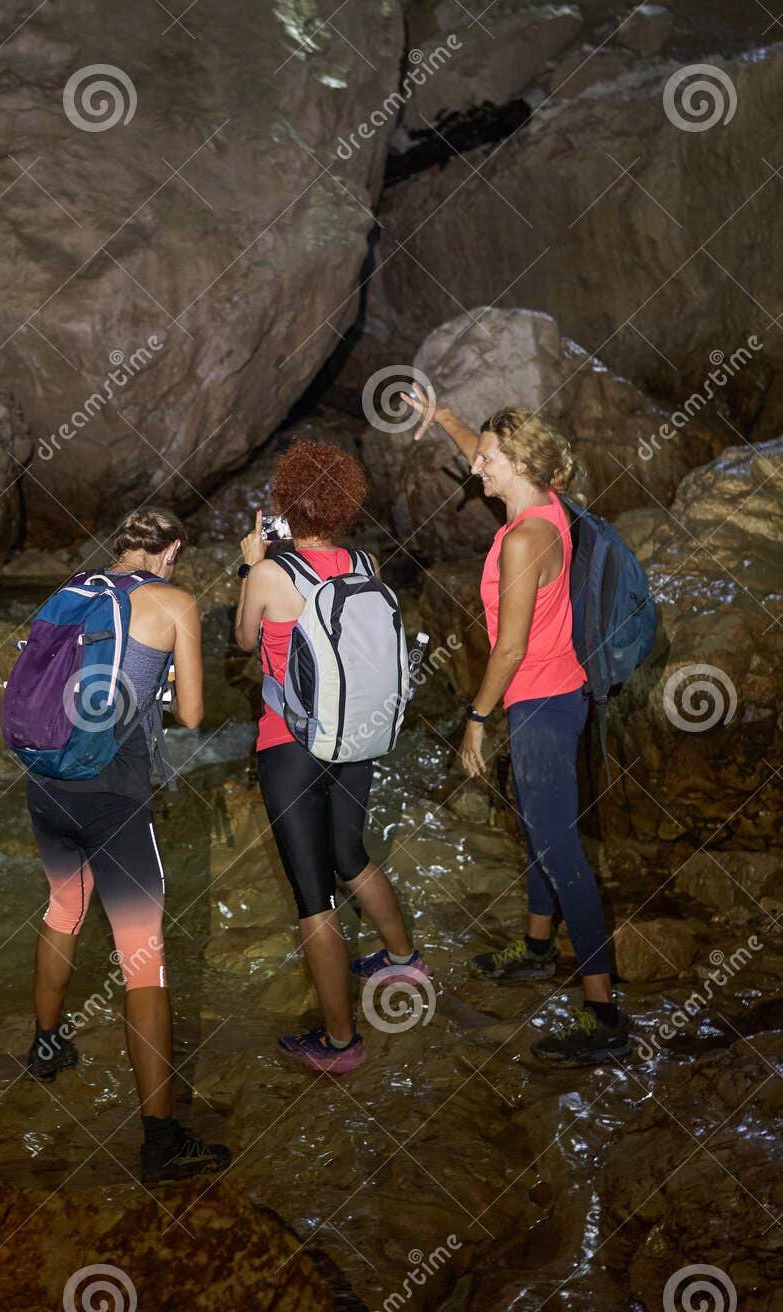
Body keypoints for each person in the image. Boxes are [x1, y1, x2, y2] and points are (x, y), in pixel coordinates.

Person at [403, 390, 631, 1065]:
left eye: (490, 460)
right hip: (554, 696)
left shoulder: (526, 540)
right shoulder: (548, 504)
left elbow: (509, 647)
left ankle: (603, 1014)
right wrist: (446, 420)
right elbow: (482, 448)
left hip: (541, 703)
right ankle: (536, 946)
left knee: (561, 852)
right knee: (538, 824)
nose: (477, 467)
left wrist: (475, 718)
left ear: (522, 466)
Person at [23, 505, 232, 1182]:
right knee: (145, 961)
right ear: (168, 552)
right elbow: (194, 715)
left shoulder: (69, 593)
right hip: (115, 793)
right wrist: (158, 681)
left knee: (63, 909)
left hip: (48, 783)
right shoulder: (173, 601)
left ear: (121, 548)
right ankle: (161, 1140)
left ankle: (46, 1046)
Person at [234, 439, 430, 1074]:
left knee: (312, 894)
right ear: (346, 503)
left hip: (290, 743)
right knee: (351, 849)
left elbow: (244, 641)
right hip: (355, 734)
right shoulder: (365, 562)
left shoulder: (270, 574)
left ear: (287, 504)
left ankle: (341, 1043)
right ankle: (403, 961)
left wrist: (250, 567)